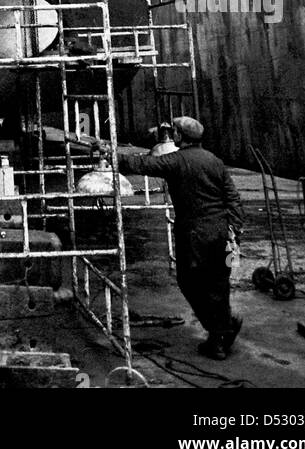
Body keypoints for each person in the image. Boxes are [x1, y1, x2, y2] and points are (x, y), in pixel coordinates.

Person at [93, 116, 244, 360]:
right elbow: (233, 197)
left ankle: (219, 332)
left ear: (180, 137)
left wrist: (111, 154)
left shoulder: (176, 161)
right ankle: (220, 331)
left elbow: (142, 165)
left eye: (174, 131)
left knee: (188, 280)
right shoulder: (215, 161)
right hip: (222, 233)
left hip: (193, 234)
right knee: (218, 283)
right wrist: (234, 229)